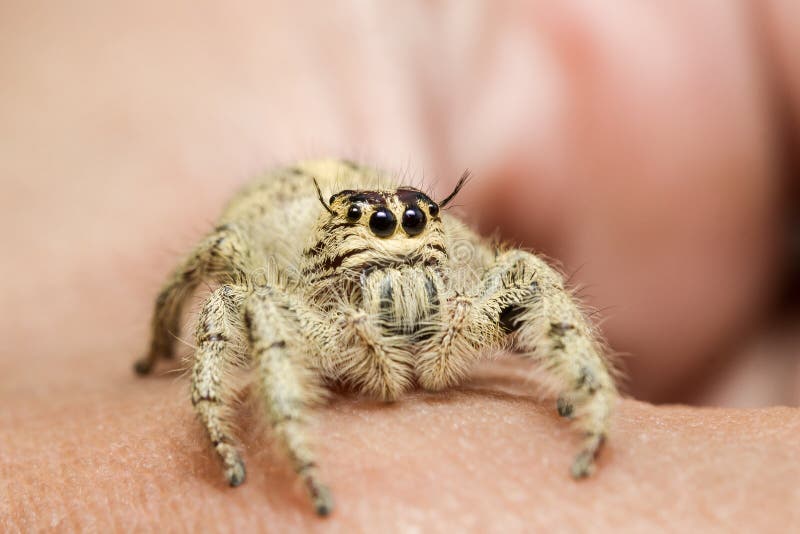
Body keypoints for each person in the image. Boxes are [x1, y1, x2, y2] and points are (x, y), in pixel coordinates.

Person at [1, 2, 797, 530]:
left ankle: (591, 405)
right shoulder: (295, 294)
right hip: (289, 232)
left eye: (414, 223)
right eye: (383, 227)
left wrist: (583, 398)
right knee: (238, 280)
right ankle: (283, 449)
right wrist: (218, 414)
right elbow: (223, 270)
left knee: (530, 274)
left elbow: (513, 276)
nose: (400, 239)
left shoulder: (449, 259)